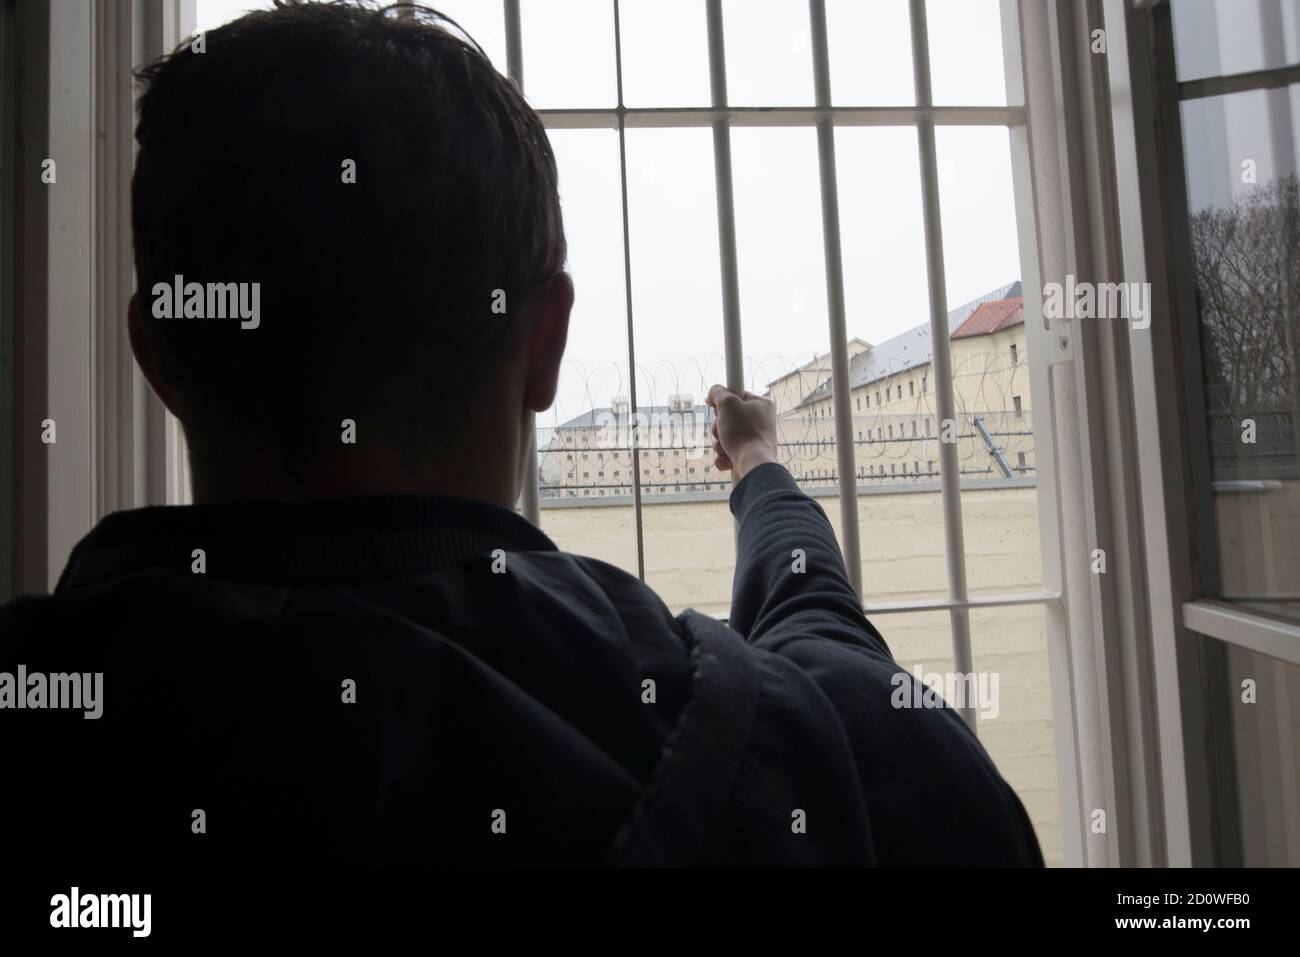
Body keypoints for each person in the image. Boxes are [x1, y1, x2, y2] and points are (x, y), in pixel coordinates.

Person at [0, 0, 1041, 866]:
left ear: (159, 353)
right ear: (544, 342)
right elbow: (821, 638)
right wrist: (761, 466)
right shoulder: (826, 768)